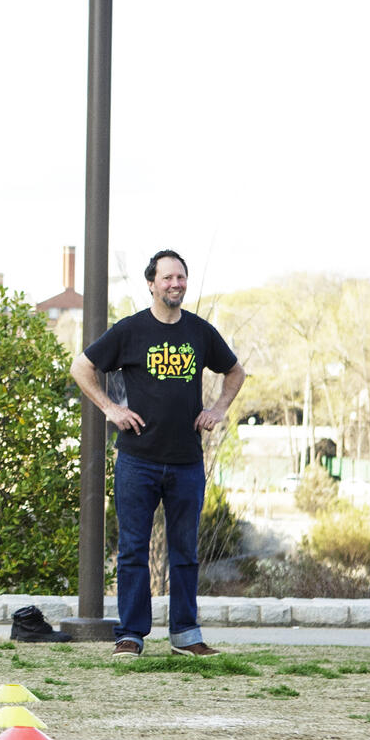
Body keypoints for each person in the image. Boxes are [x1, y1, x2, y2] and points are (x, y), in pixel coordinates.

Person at [70, 249, 246, 657]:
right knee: (133, 551)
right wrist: (110, 409)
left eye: (180, 277)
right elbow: (82, 367)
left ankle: (186, 635)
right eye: (167, 278)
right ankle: (130, 636)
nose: (175, 284)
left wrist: (218, 409)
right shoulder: (130, 330)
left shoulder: (200, 332)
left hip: (187, 462)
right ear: (151, 284)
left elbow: (235, 371)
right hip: (137, 460)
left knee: (185, 552)